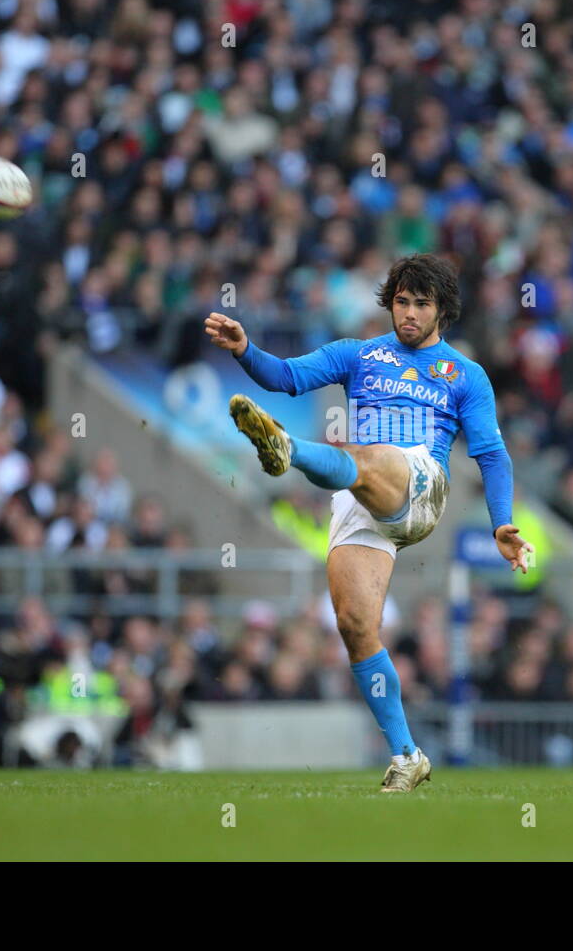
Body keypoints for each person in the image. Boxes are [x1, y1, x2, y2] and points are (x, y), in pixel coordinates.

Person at [206, 253, 532, 791]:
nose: (408, 313)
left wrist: (502, 523)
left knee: (370, 454)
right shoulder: (358, 354)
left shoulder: (465, 375)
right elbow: (286, 377)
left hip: (421, 483)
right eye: (401, 301)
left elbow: (492, 455)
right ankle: (407, 755)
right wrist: (244, 349)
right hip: (360, 495)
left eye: (420, 304)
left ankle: (287, 448)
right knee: (355, 627)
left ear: (441, 311)